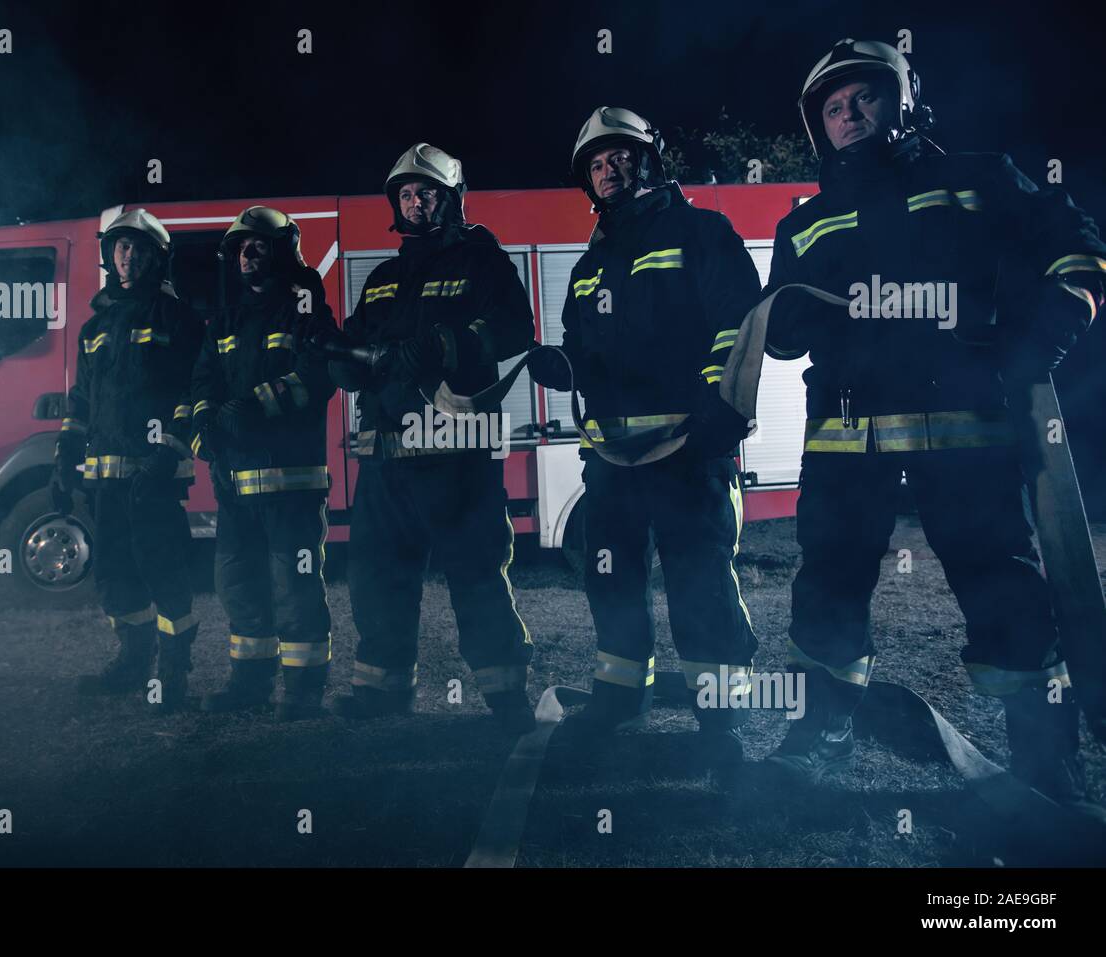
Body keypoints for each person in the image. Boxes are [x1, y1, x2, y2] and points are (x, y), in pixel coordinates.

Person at [762, 40, 1106, 817]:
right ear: (822, 128)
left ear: (905, 100)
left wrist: (1040, 342)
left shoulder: (976, 178)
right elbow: (778, 334)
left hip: (968, 433)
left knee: (1005, 594)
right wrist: (785, 319)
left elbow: (1078, 250)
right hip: (846, 444)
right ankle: (820, 734)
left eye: (867, 98)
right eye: (835, 108)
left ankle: (1046, 762)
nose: (850, 114)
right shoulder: (807, 222)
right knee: (825, 590)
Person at [534, 107, 760, 761]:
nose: (609, 170)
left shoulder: (702, 233)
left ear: (650, 159)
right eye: (597, 164)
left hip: (689, 452)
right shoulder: (589, 266)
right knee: (611, 581)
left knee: (701, 584)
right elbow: (588, 352)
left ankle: (722, 720)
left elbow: (735, 325)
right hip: (611, 463)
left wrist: (721, 407)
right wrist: (562, 364)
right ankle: (620, 694)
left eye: (621, 156)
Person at [323, 143, 536, 734]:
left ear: (451, 199)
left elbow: (516, 326)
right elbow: (358, 343)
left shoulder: (481, 261)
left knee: (475, 574)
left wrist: (446, 344)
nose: (416, 204)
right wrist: (343, 362)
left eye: (428, 194)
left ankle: (506, 698)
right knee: (377, 576)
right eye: (407, 196)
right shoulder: (386, 278)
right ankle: (382, 691)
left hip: (458, 454)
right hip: (388, 459)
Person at [51, 207, 205, 711]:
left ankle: (174, 673)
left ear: (156, 259)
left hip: (153, 478)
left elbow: (191, 393)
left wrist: (168, 453)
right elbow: (81, 402)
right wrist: (64, 458)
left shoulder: (177, 319)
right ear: (108, 254)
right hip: (107, 481)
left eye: (138, 248)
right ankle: (133, 662)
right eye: (120, 246)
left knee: (164, 572)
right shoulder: (95, 327)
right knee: (114, 574)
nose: (127, 255)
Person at [191, 207, 338, 721]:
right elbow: (202, 383)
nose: (247, 255)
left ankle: (302, 692)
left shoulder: (304, 308)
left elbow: (320, 374)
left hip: (290, 484)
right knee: (238, 584)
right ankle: (249, 683)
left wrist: (257, 404)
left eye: (257, 246)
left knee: (293, 586)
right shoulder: (225, 320)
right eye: (239, 248)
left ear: (280, 251)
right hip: (233, 484)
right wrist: (204, 426)